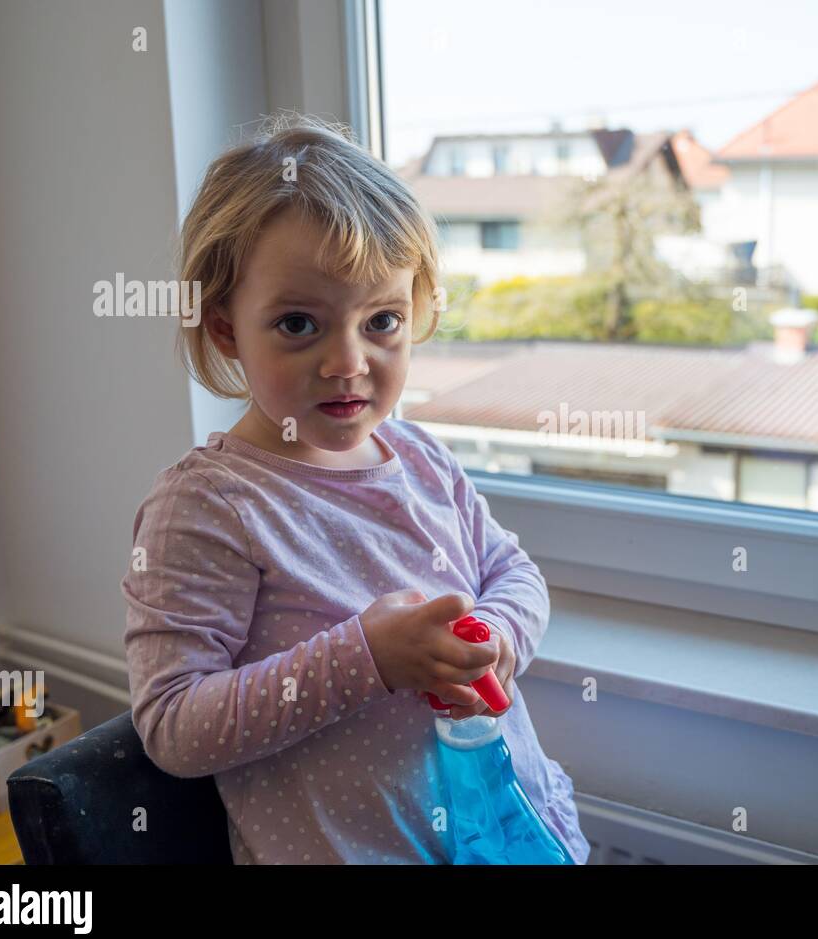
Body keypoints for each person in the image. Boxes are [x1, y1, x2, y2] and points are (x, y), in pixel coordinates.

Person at [120, 113, 589, 865]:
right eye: (299, 323)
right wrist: (367, 658)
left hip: (506, 828)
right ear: (225, 330)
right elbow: (175, 725)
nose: (348, 362)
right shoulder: (208, 507)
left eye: (381, 321)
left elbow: (514, 573)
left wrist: (497, 636)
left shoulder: (422, 458)